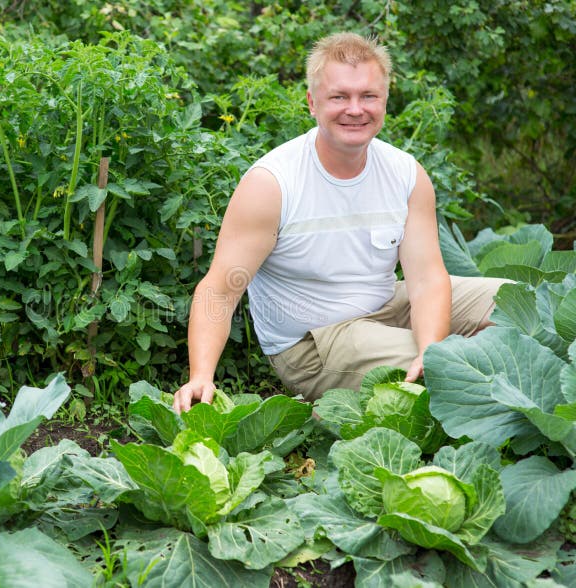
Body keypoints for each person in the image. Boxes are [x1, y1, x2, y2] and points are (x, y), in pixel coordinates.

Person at [172, 31, 506, 414]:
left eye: (368, 96)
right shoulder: (272, 183)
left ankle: (456, 367)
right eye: (339, 97)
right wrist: (201, 375)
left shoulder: (406, 173)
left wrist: (431, 347)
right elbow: (220, 288)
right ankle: (356, 400)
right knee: (451, 367)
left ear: (385, 100)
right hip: (313, 343)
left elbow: (428, 279)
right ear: (312, 103)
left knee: (519, 304)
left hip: (385, 306)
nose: (355, 109)